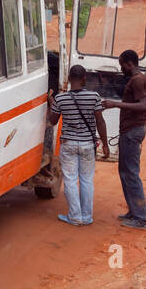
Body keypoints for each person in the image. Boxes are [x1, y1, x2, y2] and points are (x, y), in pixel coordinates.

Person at [102, 48, 146, 230]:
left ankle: (141, 218)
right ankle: (134, 212)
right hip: (134, 130)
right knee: (126, 171)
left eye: (122, 65)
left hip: (131, 132)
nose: (121, 69)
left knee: (130, 173)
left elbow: (143, 105)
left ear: (129, 63)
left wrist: (115, 104)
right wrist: (139, 123)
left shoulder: (137, 81)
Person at [48, 64, 108, 226]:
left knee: (70, 179)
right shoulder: (94, 97)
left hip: (68, 144)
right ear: (84, 79)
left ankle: (75, 216)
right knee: (87, 180)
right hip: (88, 143)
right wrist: (106, 145)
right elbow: (100, 122)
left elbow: (53, 121)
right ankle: (87, 217)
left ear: (68, 78)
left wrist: (52, 103)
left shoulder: (61, 98)